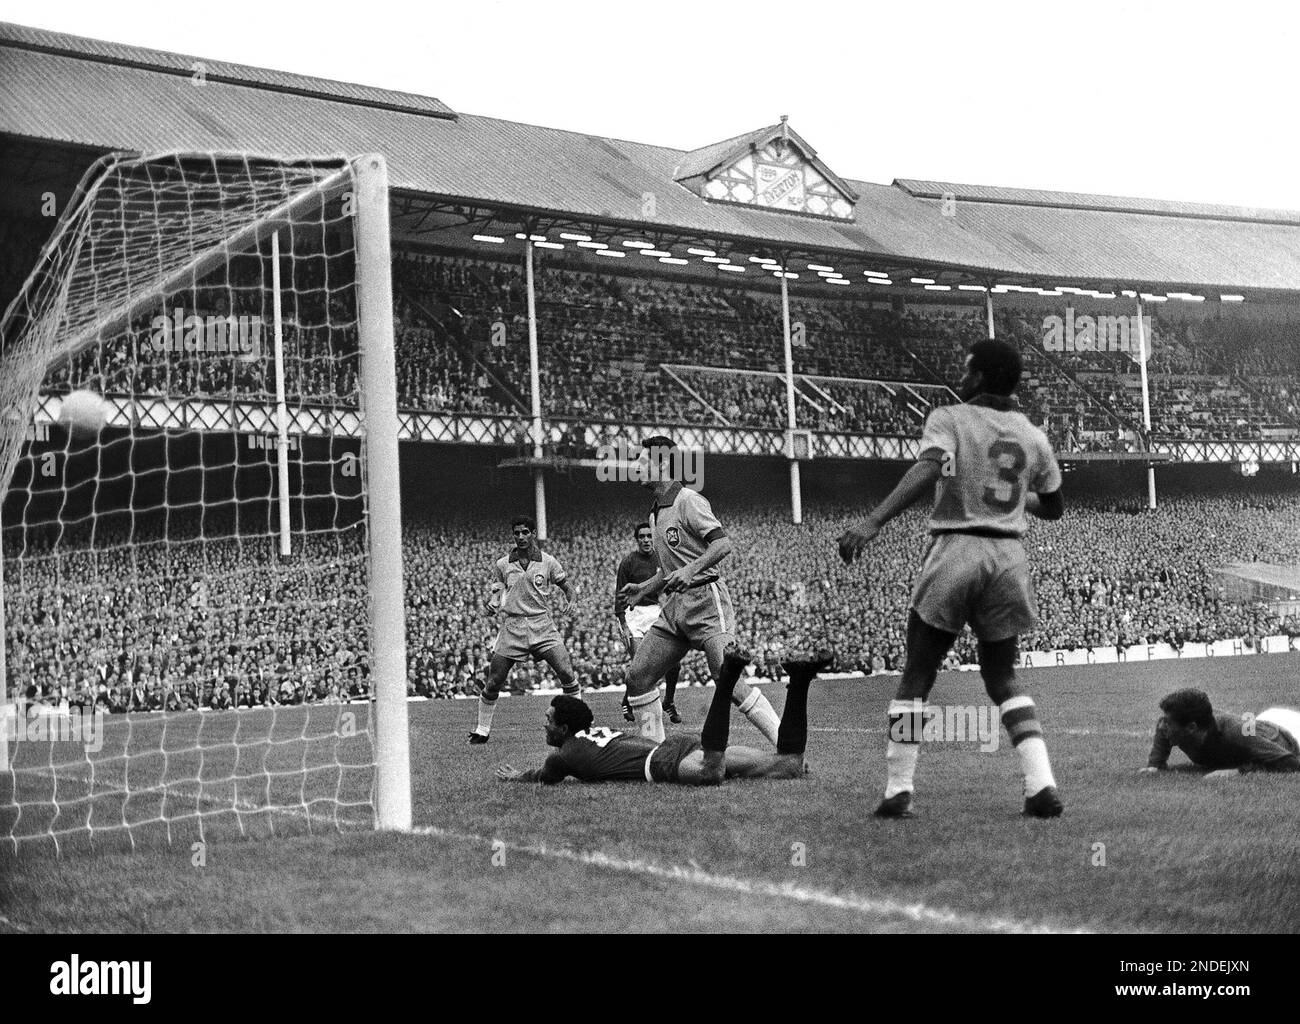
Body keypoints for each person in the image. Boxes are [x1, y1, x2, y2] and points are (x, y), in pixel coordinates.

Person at [838, 339, 1066, 819]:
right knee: (1003, 675)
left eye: (967, 370)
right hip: (1009, 555)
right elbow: (1054, 507)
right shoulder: (1033, 435)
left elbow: (929, 467)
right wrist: (1010, 496)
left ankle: (899, 788)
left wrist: (874, 520)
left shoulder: (951, 417)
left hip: (957, 548)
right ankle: (1041, 784)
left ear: (980, 376)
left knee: (918, 675)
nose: (962, 378)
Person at [618, 436, 781, 746]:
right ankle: (655, 751)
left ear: (663, 463)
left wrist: (690, 570)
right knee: (637, 678)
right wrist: (644, 588)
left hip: (707, 600)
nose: (635, 467)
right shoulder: (655, 513)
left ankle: (785, 742)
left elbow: (722, 545)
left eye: (641, 461)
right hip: (675, 607)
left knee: (727, 680)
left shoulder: (689, 500)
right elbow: (668, 571)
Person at [496, 648, 832, 785]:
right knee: (789, 765)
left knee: (710, 771)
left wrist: (518, 777)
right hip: (680, 744)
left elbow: (543, 774)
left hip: (662, 762)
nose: (544, 724)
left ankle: (726, 679)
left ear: (564, 728)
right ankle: (799, 681)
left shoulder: (564, 754)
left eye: (548, 719)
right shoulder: (599, 731)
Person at [469, 515, 579, 744]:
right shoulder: (502, 564)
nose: (520, 537)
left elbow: (568, 588)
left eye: (524, 532)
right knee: (494, 681)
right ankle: (482, 730)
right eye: (516, 533)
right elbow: (497, 592)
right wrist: (492, 604)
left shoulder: (548, 561)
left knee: (567, 673)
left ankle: (580, 728)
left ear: (532, 533)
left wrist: (572, 600)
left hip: (541, 624)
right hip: (513, 626)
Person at [1141, 689, 1300, 775]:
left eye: (1168, 723)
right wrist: (1155, 764)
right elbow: (1162, 728)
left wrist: (1239, 771)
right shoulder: (1172, 727)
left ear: (1191, 728)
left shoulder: (1239, 734)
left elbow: (1291, 763)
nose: (1162, 726)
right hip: (1260, 722)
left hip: (1290, 729)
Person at [614, 521, 682, 724]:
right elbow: (620, 593)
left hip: (654, 611)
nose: (646, 540)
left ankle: (668, 701)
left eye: (649, 536)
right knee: (640, 664)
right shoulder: (628, 562)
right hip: (633, 614)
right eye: (641, 537)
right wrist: (623, 624)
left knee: (675, 663)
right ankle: (633, 702)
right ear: (637, 540)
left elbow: (669, 587)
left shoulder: (661, 559)